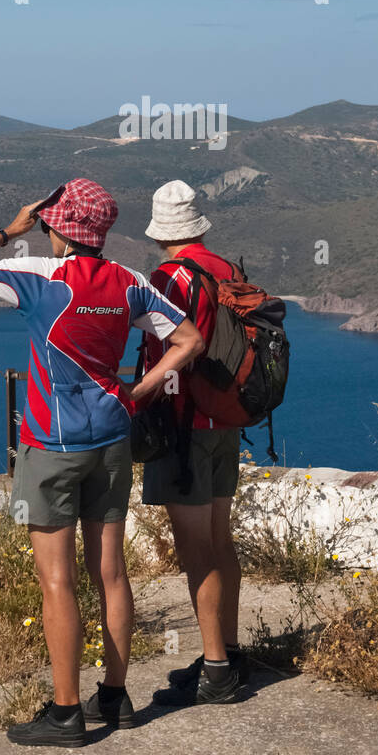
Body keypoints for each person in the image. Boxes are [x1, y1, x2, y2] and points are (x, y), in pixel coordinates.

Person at [0, 177, 204, 746]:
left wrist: (9, 231)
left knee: (56, 580)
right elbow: (189, 340)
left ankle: (65, 714)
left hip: (51, 448)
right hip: (113, 438)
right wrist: (140, 391)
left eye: (47, 225)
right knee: (111, 572)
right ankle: (114, 695)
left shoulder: (41, 274)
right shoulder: (129, 282)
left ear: (57, 227)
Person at [139, 179, 248, 706]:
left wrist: (137, 394)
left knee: (195, 551)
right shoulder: (227, 269)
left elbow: (167, 351)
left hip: (183, 428)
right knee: (221, 541)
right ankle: (225, 650)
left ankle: (218, 672)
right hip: (227, 422)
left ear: (162, 232)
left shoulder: (167, 277)